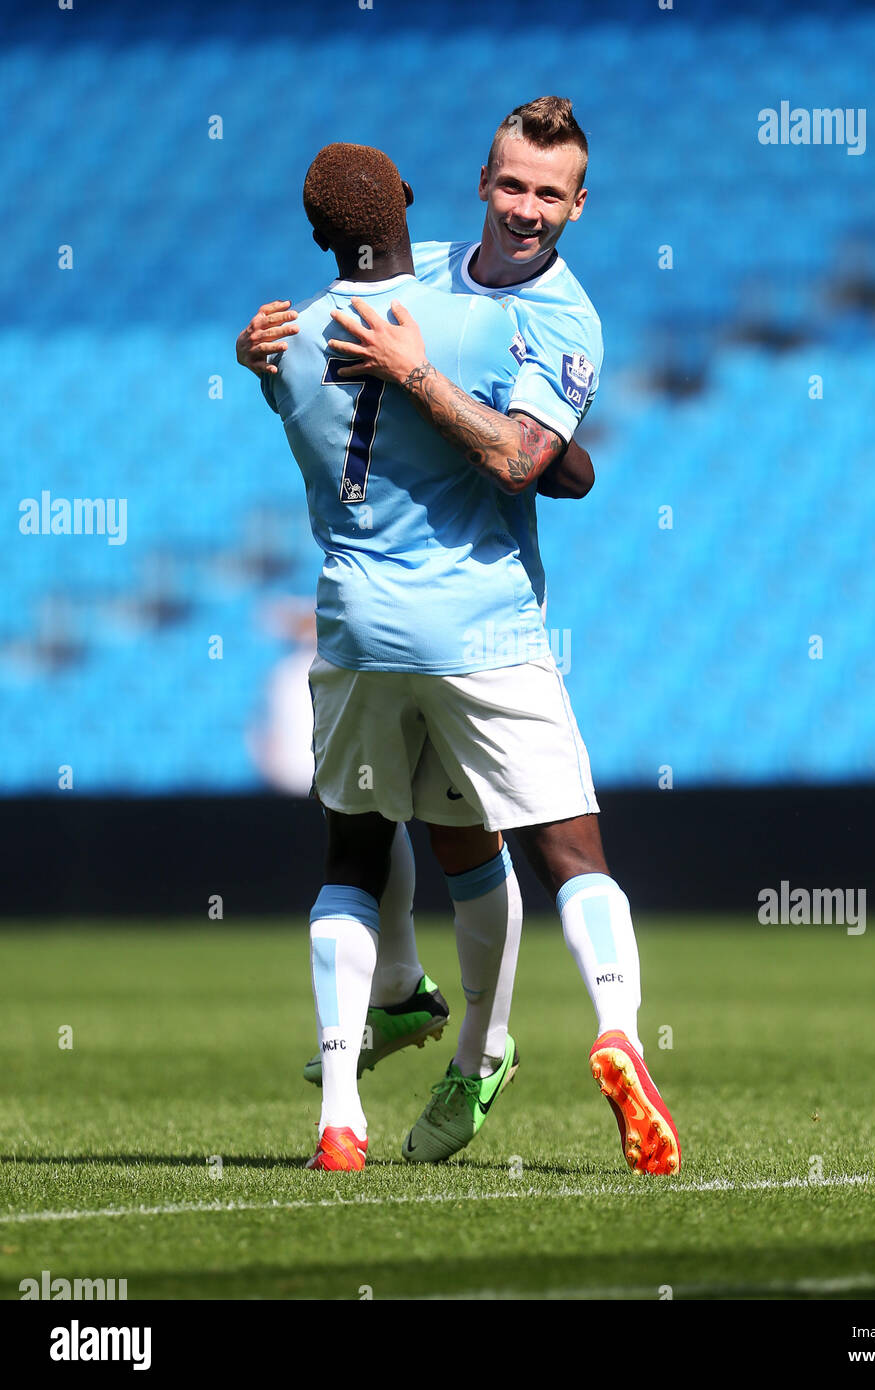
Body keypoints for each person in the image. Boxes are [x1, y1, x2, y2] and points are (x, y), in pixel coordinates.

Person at [242, 100, 680, 1176]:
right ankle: (582, 1032)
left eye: (549, 192)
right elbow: (528, 460)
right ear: (471, 185)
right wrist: (393, 372)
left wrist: (276, 351)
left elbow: (542, 460)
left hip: (355, 631)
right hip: (478, 631)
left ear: (579, 204)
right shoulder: (446, 299)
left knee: (386, 846)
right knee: (540, 844)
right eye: (512, 185)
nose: (527, 209)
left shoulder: (542, 317)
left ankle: (400, 1060)